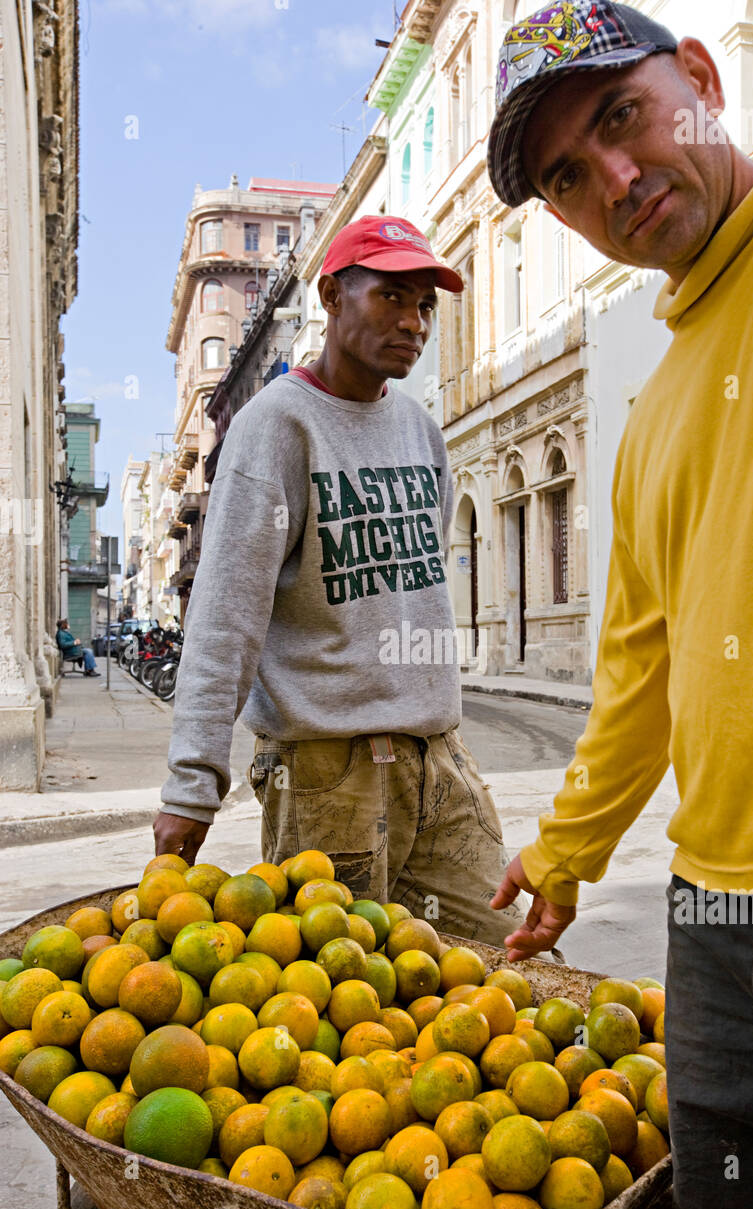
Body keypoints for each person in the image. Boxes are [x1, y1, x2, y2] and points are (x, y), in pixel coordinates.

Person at [486, 2, 753, 1209]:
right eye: (566, 178)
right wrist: (571, 844)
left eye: (620, 118)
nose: (616, 179)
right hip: (713, 938)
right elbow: (640, 667)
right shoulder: (648, 414)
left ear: (698, 79)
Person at [153, 215, 524, 946]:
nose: (413, 323)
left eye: (424, 305)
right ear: (331, 295)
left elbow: (419, 585)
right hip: (325, 779)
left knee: (506, 969)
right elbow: (226, 618)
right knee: (340, 1010)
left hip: (438, 762)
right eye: (391, 297)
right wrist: (191, 786)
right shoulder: (276, 427)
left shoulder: (420, 429)